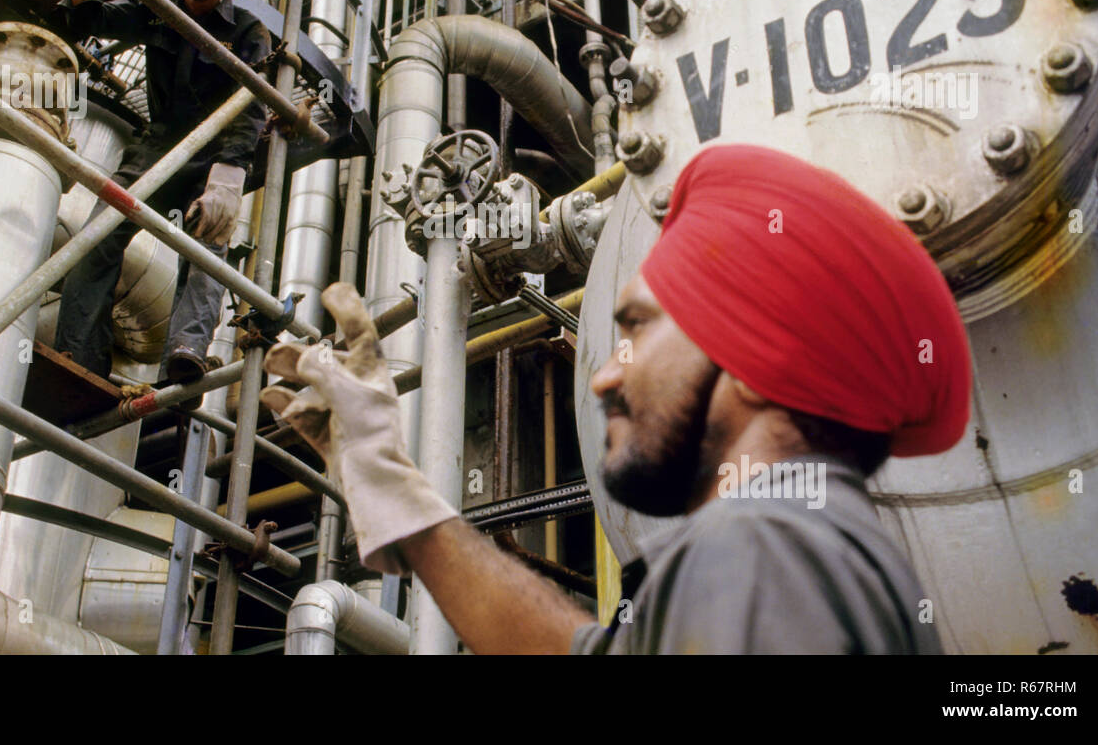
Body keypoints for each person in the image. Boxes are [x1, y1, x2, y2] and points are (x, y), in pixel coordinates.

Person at [260, 144, 973, 654]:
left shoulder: (759, 547)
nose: (603, 375)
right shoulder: (809, 553)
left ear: (756, 363)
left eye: (634, 328)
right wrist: (391, 484)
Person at [53, 0, 272, 387]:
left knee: (208, 249)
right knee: (98, 237)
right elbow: (81, 17)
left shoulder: (249, 32)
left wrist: (229, 179)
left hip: (214, 158)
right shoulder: (156, 8)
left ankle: (186, 354)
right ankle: (77, 356)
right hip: (158, 148)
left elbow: (251, 106)